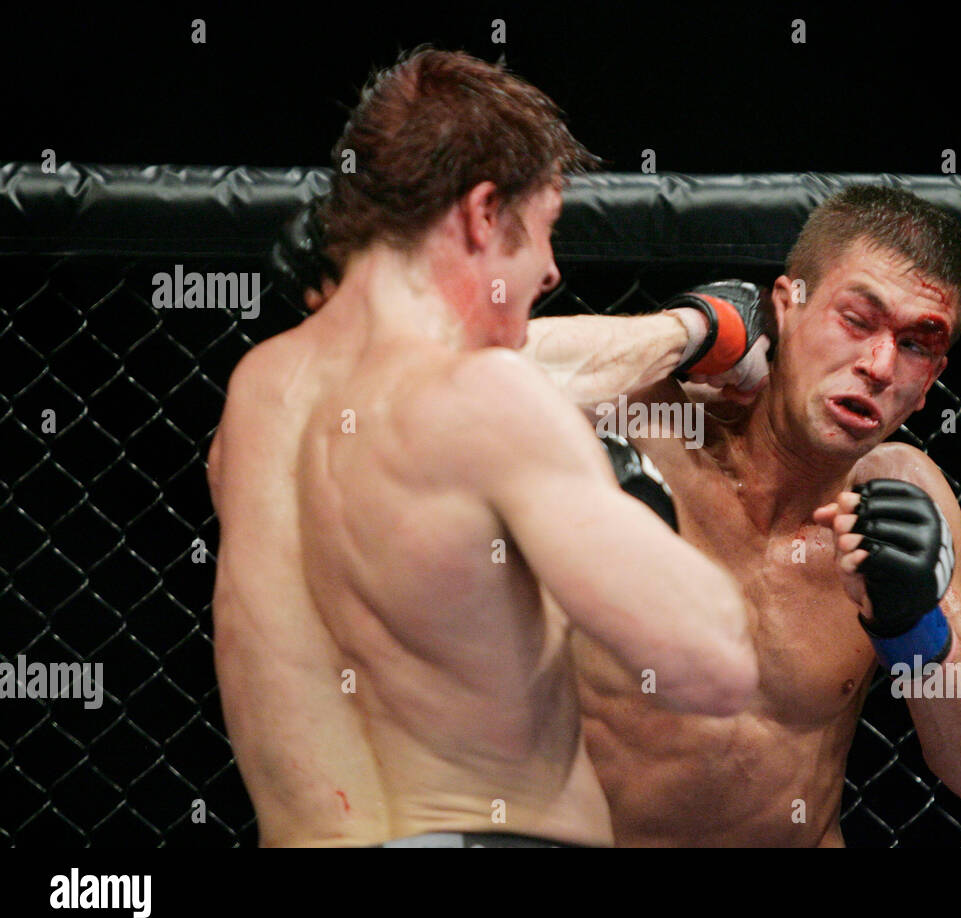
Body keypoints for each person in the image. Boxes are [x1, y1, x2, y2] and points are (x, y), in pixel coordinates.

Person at [209, 46, 758, 848]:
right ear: (482, 213)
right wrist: (633, 506)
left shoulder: (256, 400)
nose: (551, 269)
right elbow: (712, 666)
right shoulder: (488, 401)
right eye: (544, 230)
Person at [523, 185, 961, 845]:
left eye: (915, 344)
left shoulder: (904, 493)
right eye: (857, 318)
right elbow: (450, 372)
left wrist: (916, 629)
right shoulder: (643, 420)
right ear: (786, 308)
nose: (880, 365)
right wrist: (692, 328)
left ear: (928, 387)